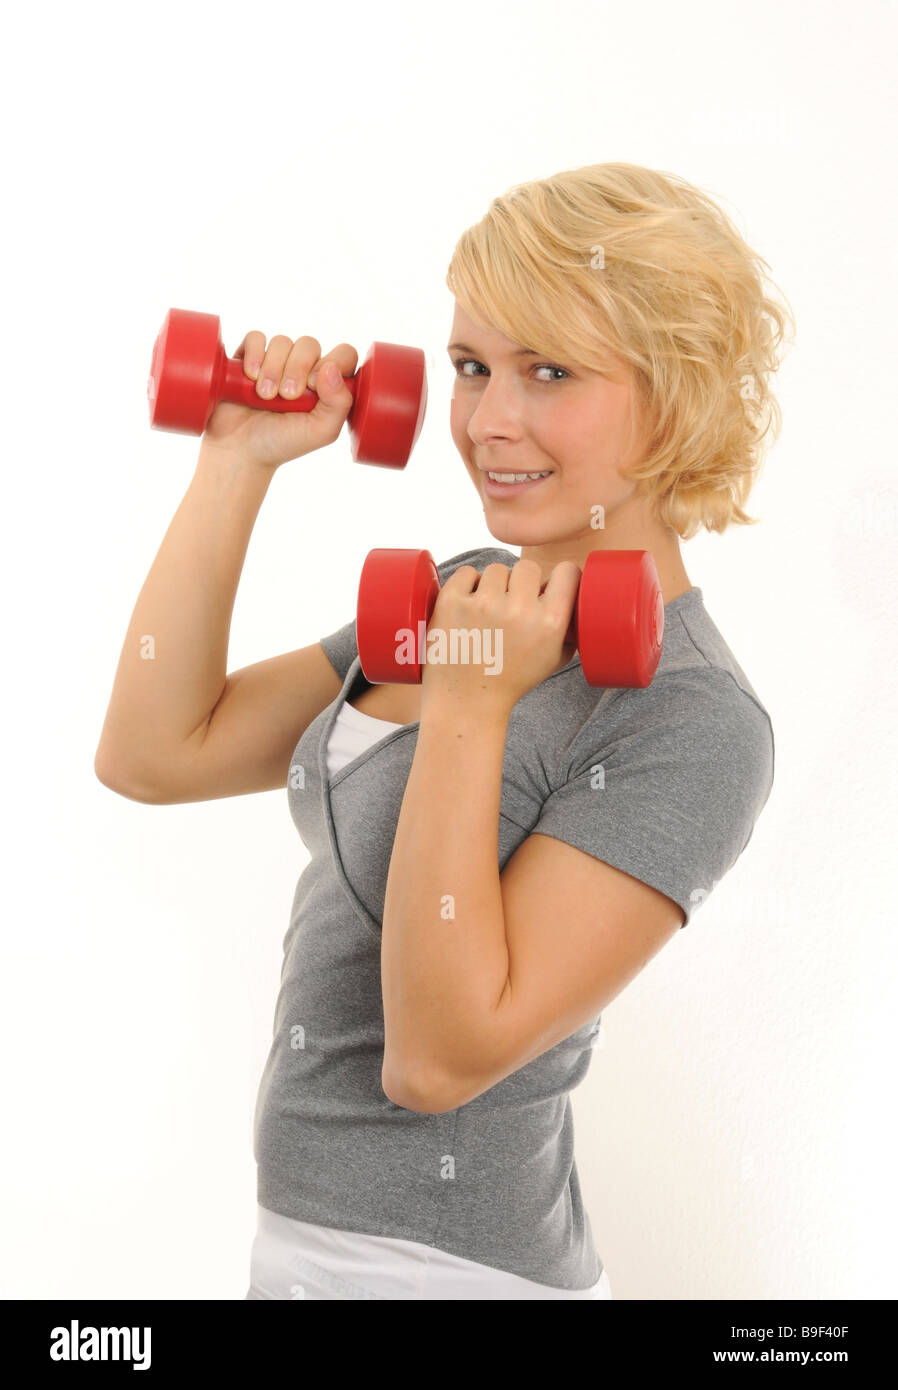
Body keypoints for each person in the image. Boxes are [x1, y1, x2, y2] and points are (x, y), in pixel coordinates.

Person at [95, 161, 794, 1300]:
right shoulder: (464, 594)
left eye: (550, 371)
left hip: (447, 1273)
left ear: (676, 399)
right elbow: (155, 752)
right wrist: (236, 459)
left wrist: (469, 703)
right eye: (472, 367)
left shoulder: (692, 716)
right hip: (305, 1251)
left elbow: (437, 1061)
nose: (486, 421)